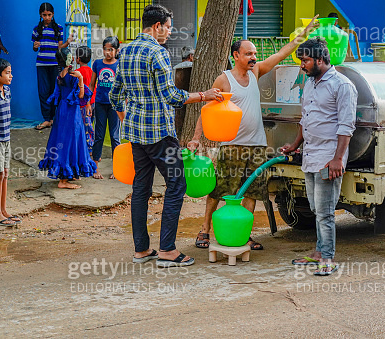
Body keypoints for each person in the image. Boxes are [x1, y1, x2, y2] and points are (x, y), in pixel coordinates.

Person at [188, 16, 320, 250]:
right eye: (248, 53)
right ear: (235, 56)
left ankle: (243, 234)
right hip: (232, 145)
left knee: (253, 192)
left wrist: (304, 34)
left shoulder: (256, 72)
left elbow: (281, 53)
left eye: (255, 53)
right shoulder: (224, 79)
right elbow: (206, 109)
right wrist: (197, 138)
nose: (254, 57)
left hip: (257, 145)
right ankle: (205, 230)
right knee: (220, 190)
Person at [109, 4, 223, 266]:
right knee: (177, 185)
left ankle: (141, 250)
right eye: (168, 27)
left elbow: (115, 96)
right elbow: (171, 97)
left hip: (136, 135)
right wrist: (203, 95)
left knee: (141, 189)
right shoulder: (157, 52)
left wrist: (129, 122)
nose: (170, 32)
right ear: (157, 26)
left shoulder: (124, 51)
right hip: (160, 134)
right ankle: (168, 251)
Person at [281, 38, 357, 276]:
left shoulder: (342, 86)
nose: (302, 65)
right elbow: (306, 118)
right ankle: (318, 251)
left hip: (328, 157)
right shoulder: (311, 83)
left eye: (305, 60)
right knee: (315, 207)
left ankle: (327, 257)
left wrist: (337, 159)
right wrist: (295, 145)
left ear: (321, 59)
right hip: (311, 155)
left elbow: (346, 126)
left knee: (324, 211)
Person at [38, 48, 97, 189]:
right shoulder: (73, 76)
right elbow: (82, 96)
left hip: (62, 111)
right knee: (71, 141)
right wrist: (81, 79)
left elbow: (57, 95)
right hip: (72, 112)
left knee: (62, 141)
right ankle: (63, 181)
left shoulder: (60, 75)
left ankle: (68, 174)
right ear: (67, 59)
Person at [32, 2, 73, 131]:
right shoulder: (36, 29)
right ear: (40, 15)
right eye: (44, 15)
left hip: (55, 64)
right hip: (41, 64)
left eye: (49, 15)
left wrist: (67, 42)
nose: (47, 17)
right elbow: (34, 48)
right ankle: (46, 119)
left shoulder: (58, 28)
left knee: (55, 91)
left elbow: (60, 47)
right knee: (43, 91)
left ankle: (55, 118)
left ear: (53, 14)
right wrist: (35, 46)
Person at [0, 58, 20, 226]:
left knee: (6, 174)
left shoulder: (7, 91)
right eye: (7, 73)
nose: (11, 76)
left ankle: (3, 211)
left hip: (6, 138)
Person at [90, 36, 120, 179]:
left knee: (115, 137)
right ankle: (95, 168)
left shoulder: (119, 65)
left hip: (115, 106)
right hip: (100, 104)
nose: (108, 52)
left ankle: (117, 169)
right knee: (99, 135)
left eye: (111, 50)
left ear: (116, 50)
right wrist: (90, 103)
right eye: (105, 49)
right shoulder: (97, 64)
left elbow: (123, 86)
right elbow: (91, 84)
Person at [76, 46, 95, 152]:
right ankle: (90, 147)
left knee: (86, 127)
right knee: (90, 124)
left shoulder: (78, 72)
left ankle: (89, 148)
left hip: (84, 104)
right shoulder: (91, 70)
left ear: (78, 58)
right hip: (93, 102)